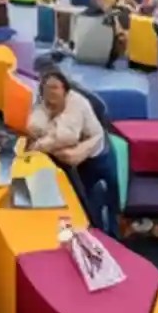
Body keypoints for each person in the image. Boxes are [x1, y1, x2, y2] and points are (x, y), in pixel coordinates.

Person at [27, 71, 119, 235]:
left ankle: (111, 233)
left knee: (110, 198)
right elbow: (34, 126)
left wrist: (40, 143)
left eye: (55, 89)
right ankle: (96, 229)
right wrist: (46, 132)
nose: (51, 99)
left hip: (98, 155)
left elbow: (66, 138)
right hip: (83, 160)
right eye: (48, 90)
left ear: (66, 91)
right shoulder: (45, 102)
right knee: (88, 201)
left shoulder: (77, 104)